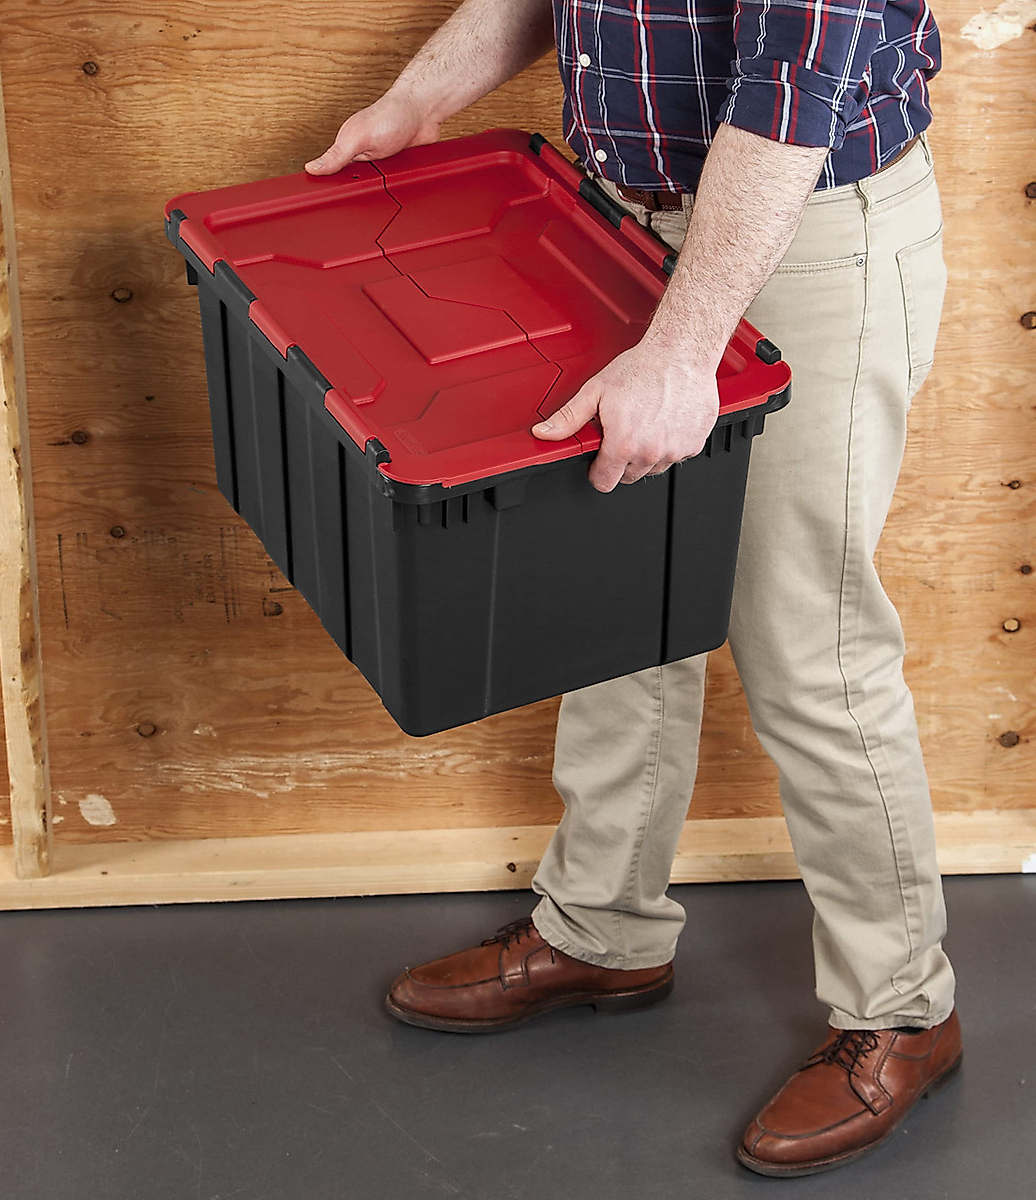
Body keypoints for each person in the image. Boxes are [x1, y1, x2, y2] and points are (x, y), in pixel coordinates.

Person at [306, 0, 959, 1177]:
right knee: (616, 609)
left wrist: (681, 347)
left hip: (799, 232)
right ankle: (602, 931)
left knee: (808, 642)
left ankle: (903, 1010)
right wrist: (418, 99)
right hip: (614, 219)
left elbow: (793, 86)